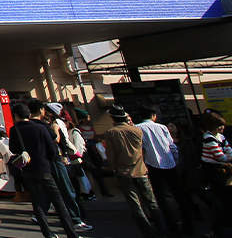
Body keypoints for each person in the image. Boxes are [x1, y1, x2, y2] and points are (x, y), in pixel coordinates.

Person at [10, 103, 82, 238]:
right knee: (59, 202)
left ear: (15, 116)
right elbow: (52, 150)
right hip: (45, 168)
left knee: (37, 202)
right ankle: (71, 233)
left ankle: (47, 233)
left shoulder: (15, 130)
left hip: (28, 170)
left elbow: (13, 149)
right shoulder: (41, 128)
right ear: (29, 114)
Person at [102, 104, 165, 238]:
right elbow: (144, 149)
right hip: (141, 170)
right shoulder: (137, 130)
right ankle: (162, 228)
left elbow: (111, 154)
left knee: (135, 205)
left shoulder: (111, 133)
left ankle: (147, 231)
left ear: (113, 119)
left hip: (124, 172)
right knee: (152, 202)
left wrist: (113, 168)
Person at [136, 106, 191, 235]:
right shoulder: (162, 127)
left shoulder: (137, 129)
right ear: (153, 115)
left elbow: (141, 149)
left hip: (152, 165)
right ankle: (187, 223)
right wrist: (176, 161)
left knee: (162, 197)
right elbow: (172, 146)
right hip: (170, 163)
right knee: (179, 194)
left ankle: (172, 225)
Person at [36, 102, 90, 230]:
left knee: (59, 188)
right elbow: (61, 140)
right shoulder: (54, 124)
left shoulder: (52, 123)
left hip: (54, 159)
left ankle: (72, 217)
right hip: (57, 159)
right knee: (64, 189)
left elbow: (60, 140)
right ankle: (75, 218)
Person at [199, 109, 232, 227]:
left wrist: (228, 157)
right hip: (214, 169)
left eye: (222, 125)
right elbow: (218, 156)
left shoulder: (221, 136)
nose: (222, 127)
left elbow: (228, 150)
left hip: (223, 167)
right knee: (223, 195)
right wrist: (228, 159)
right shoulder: (208, 138)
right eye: (219, 125)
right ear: (211, 126)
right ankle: (224, 221)